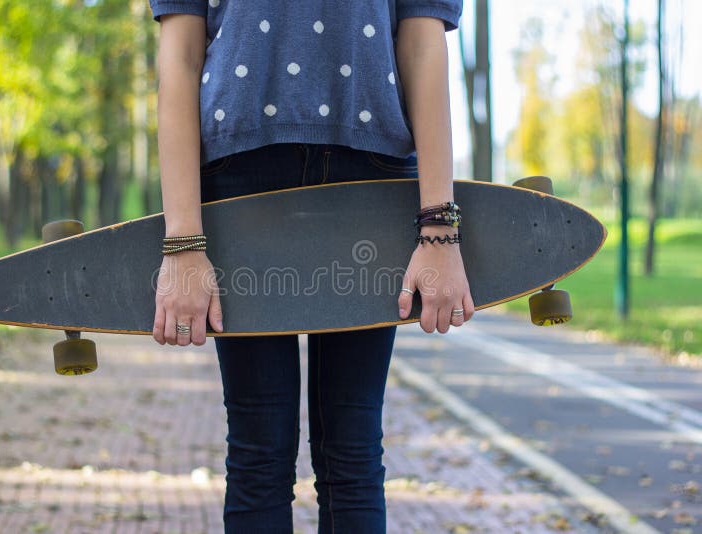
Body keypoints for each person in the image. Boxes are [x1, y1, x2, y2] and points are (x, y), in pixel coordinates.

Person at [148, 1, 471, 532]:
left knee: (353, 452)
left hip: (372, 175)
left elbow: (421, 40)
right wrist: (183, 242)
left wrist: (438, 226)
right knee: (258, 454)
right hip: (240, 174)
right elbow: (179, 56)